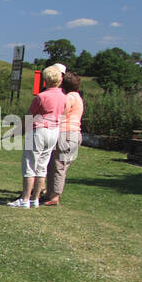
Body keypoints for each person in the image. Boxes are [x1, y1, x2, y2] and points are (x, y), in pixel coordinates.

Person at [9, 65, 66, 208]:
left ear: (45, 81)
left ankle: (25, 199)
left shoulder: (41, 97)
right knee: (42, 166)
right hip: (54, 132)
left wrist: (17, 131)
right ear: (59, 80)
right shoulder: (64, 97)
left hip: (39, 132)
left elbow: (29, 117)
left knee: (29, 165)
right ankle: (35, 199)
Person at [41, 71, 84, 206]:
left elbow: (62, 114)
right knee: (60, 165)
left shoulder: (69, 98)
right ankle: (50, 193)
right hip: (75, 134)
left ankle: (54, 197)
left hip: (66, 133)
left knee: (58, 165)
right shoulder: (78, 96)